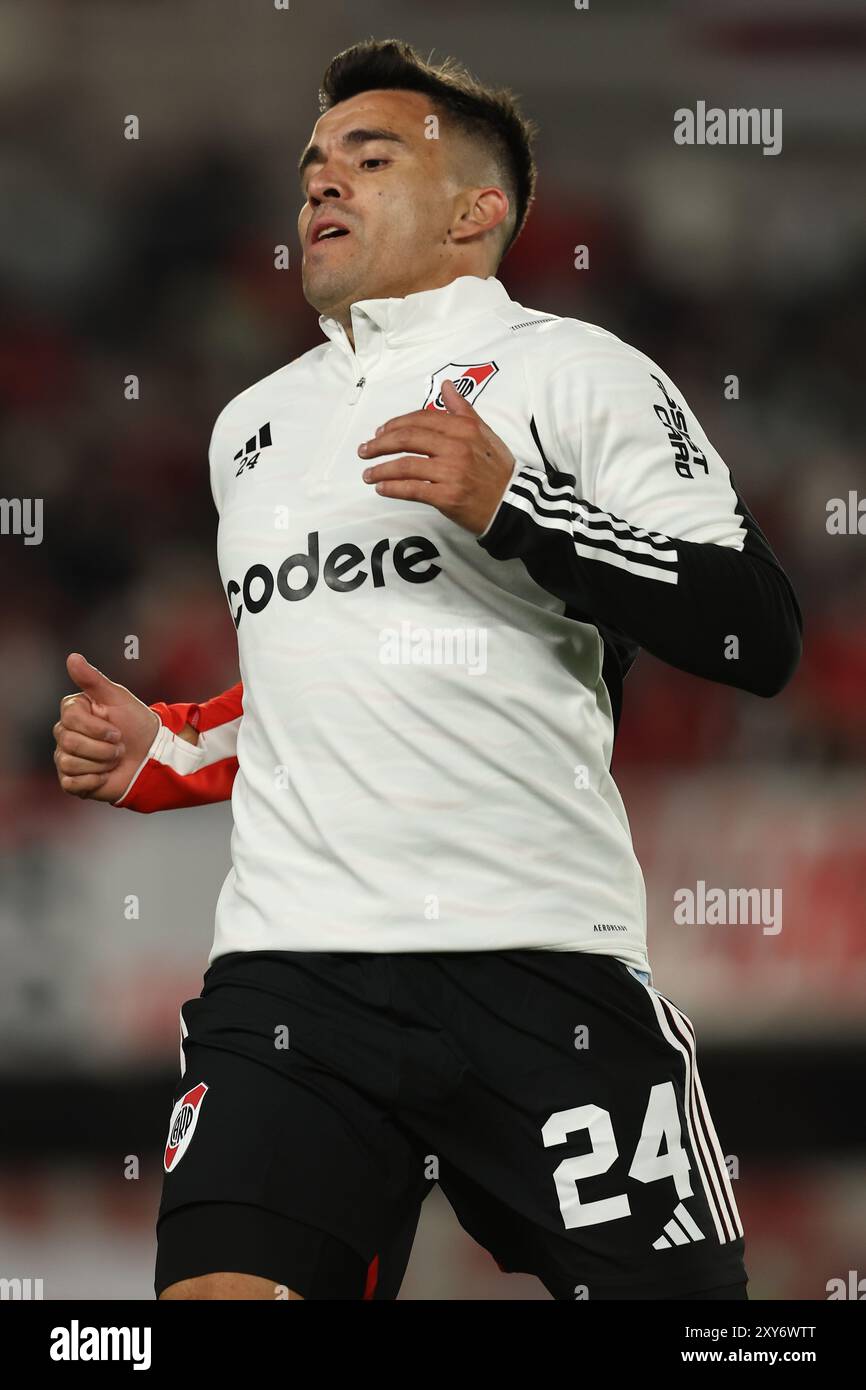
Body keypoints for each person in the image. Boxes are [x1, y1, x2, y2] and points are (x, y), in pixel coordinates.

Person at [53, 39, 801, 1301]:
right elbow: (328, 691)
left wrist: (521, 510)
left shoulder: (579, 373)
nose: (321, 184)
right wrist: (166, 750)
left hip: (538, 961)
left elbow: (757, 633)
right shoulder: (250, 427)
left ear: (478, 210)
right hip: (296, 980)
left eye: (369, 155)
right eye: (310, 165)